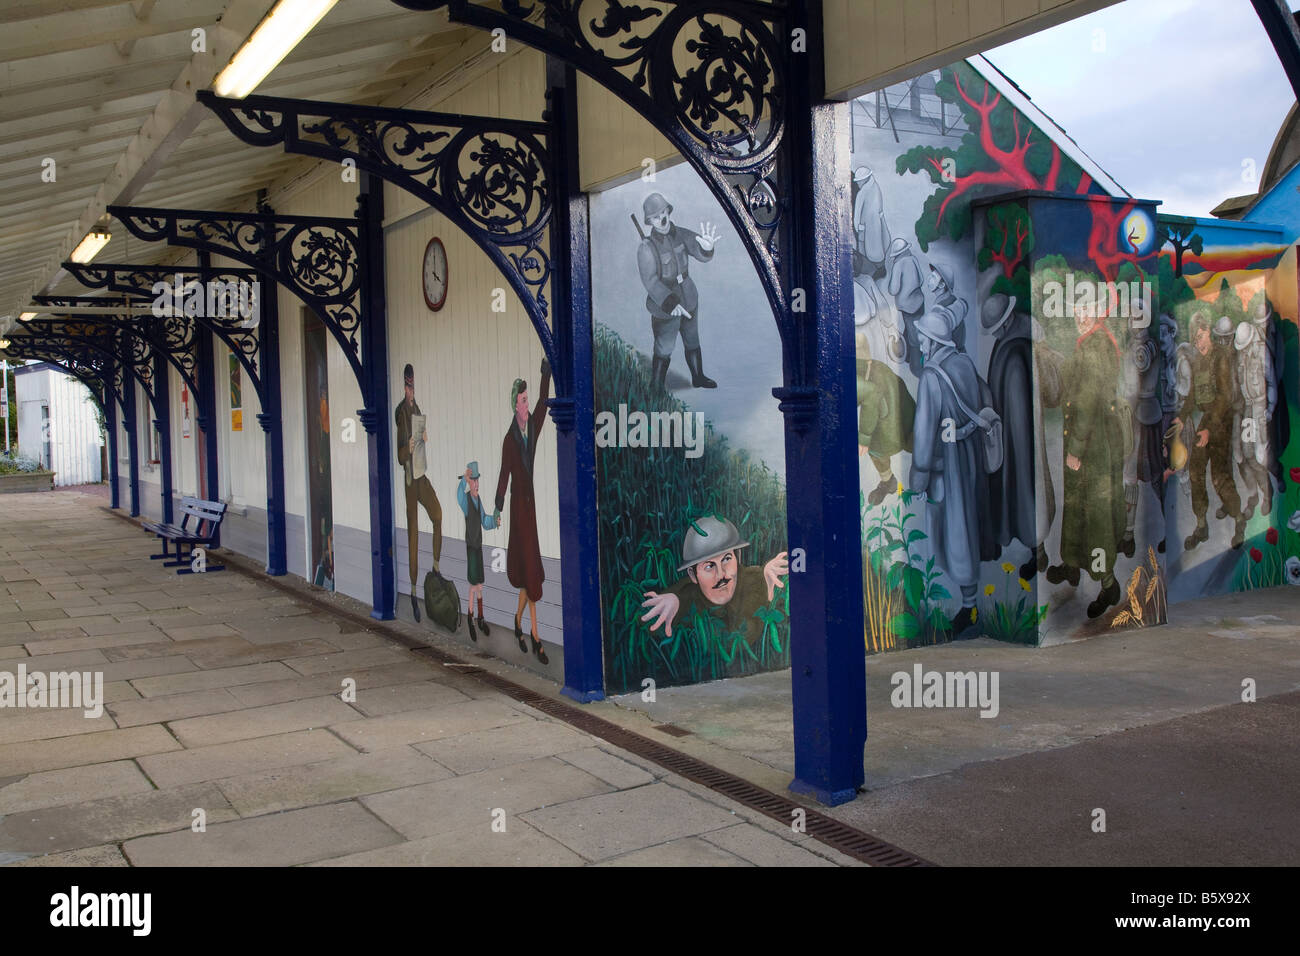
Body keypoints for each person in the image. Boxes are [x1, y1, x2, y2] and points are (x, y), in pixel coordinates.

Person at [908, 310, 994, 635]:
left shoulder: (931, 376)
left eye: (923, 337)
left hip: (945, 466)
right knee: (967, 524)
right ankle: (969, 602)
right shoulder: (965, 363)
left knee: (953, 531)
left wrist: (919, 476)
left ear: (934, 340)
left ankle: (965, 606)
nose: (920, 342)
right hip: (968, 458)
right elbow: (985, 399)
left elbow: (923, 433)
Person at [1045, 302, 1127, 618]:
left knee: (1097, 517)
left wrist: (1076, 449)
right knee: (1077, 506)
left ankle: (1108, 584)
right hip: (1088, 444)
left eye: (1086, 313)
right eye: (1077, 313)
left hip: (1093, 448)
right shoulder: (1090, 342)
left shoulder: (1097, 346)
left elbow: (1089, 401)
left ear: (1098, 314)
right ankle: (1072, 565)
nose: (1080, 318)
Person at [639, 516, 787, 646]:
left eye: (726, 559)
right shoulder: (687, 596)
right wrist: (675, 600)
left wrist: (767, 582)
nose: (721, 575)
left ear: (738, 557)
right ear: (693, 575)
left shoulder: (754, 579)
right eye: (709, 566)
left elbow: (762, 579)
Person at [495, 357, 551, 664]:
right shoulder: (509, 440)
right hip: (518, 509)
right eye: (522, 401)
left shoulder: (531, 427)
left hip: (530, 508)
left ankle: (517, 621)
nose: (526, 405)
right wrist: (498, 506)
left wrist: (546, 372)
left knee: (529, 572)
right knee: (530, 572)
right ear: (514, 405)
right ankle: (536, 636)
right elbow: (504, 474)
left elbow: (544, 402)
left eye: (526, 400)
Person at [636, 192, 721, 390]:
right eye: (656, 217)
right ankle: (656, 387)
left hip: (688, 296)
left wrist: (707, 248)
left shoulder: (681, 234)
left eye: (663, 213)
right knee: (664, 345)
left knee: (692, 338)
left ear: (668, 211)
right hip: (665, 304)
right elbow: (650, 281)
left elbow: (699, 250)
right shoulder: (646, 247)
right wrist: (670, 303)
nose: (662, 219)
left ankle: (698, 377)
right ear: (649, 221)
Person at [1175, 314, 1245, 550]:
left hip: (1221, 419)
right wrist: (1181, 417)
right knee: (1195, 471)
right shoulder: (1198, 362)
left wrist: (1208, 431)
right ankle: (1201, 526)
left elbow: (1224, 398)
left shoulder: (1221, 358)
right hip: (1207, 418)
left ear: (1208, 333)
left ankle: (1239, 521)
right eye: (1195, 340)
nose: (1199, 343)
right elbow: (1192, 396)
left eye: (1201, 337)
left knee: (1219, 477)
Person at [983, 293, 1041, 577]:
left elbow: (1019, 413)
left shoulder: (1016, 352)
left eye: (996, 327)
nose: (994, 333)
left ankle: (1037, 551)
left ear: (1005, 322)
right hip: (1011, 436)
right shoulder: (1010, 342)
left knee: (1025, 492)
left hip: (1019, 442)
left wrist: (1012, 446)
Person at [395, 363, 441, 622]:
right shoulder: (402, 413)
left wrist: (423, 437)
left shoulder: (417, 409)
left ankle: (436, 567)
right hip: (410, 480)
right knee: (413, 531)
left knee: (438, 515)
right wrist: (408, 448)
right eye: (408, 386)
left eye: (412, 386)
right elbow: (400, 456)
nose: (411, 390)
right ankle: (413, 590)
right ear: (404, 387)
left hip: (421, 474)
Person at [1119, 318, 1167, 555]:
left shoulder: (1145, 346)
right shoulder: (1139, 344)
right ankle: (1128, 535)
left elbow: (1136, 379)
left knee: (1154, 476)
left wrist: (1125, 410)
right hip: (1137, 414)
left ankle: (1165, 530)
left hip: (1142, 416)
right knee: (1131, 476)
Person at [857, 337, 914, 506]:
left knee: (877, 447)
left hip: (891, 415)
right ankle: (890, 482)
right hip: (896, 412)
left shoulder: (868, 374)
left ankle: (893, 482)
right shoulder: (875, 366)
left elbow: (869, 393)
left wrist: (864, 438)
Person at [1234, 321, 1274, 515]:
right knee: (1247, 453)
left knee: (1261, 455)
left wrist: (1270, 408)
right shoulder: (1241, 357)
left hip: (1261, 407)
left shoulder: (1261, 353)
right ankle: (1255, 493)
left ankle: (1268, 494)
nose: (1243, 350)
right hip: (1248, 409)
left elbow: (1271, 382)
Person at [457, 460, 498, 640]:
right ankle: (471, 618)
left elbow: (484, 520)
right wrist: (463, 480)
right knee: (474, 585)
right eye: (473, 480)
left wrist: (494, 521)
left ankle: (481, 617)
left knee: (480, 584)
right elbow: (458, 495)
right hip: (471, 547)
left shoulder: (478, 499)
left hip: (478, 546)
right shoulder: (466, 500)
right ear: (469, 482)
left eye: (477, 480)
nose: (476, 484)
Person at [886, 237, 927, 375]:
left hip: (907, 306)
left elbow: (893, 289)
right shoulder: (913, 259)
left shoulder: (898, 265)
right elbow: (921, 280)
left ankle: (916, 366)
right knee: (915, 329)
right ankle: (908, 356)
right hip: (919, 302)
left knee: (914, 336)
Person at [852, 165, 890, 282]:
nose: (858, 184)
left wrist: (857, 228)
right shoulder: (876, 188)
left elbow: (857, 214)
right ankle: (879, 268)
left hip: (864, 228)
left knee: (864, 251)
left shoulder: (862, 193)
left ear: (864, 179)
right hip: (877, 224)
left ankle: (870, 273)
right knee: (878, 247)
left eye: (859, 181)